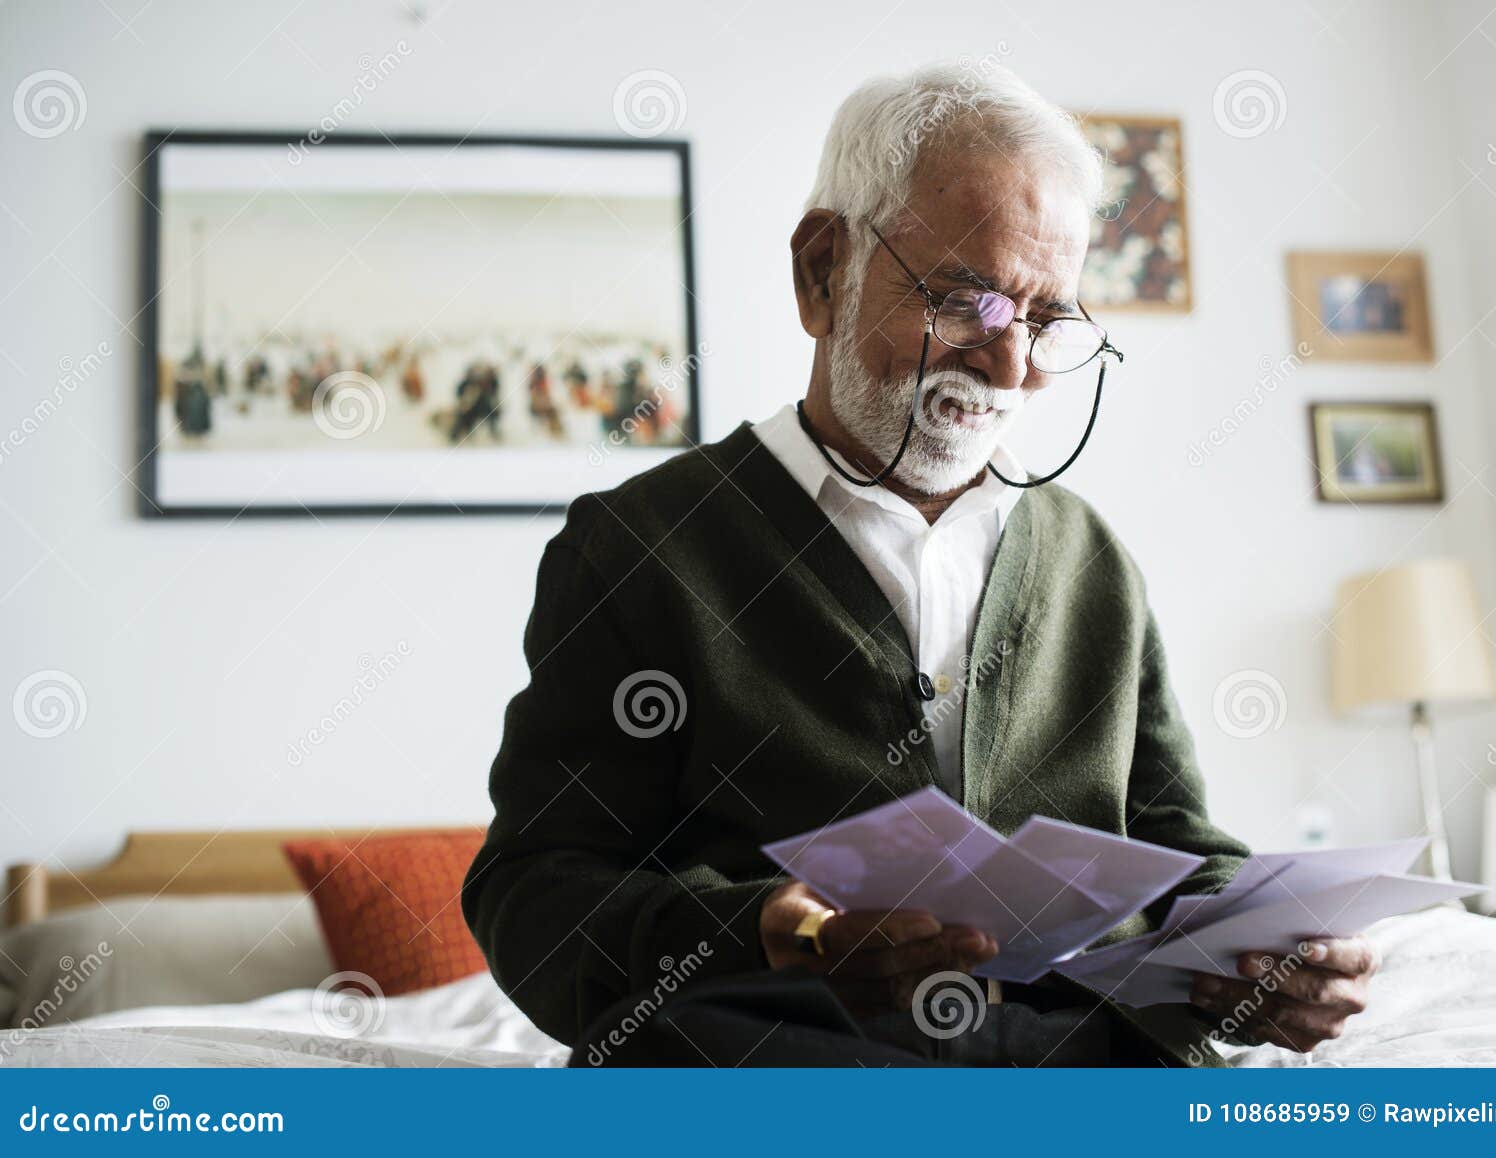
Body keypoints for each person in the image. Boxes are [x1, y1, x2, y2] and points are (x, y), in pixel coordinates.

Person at [463, 63, 1379, 1067]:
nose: (1011, 365)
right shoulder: (642, 548)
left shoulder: (1089, 561)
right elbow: (534, 893)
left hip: (1080, 1058)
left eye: (1044, 320)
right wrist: (773, 932)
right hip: (786, 1053)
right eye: (969, 301)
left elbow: (1171, 853)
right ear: (824, 272)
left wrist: (1261, 962)